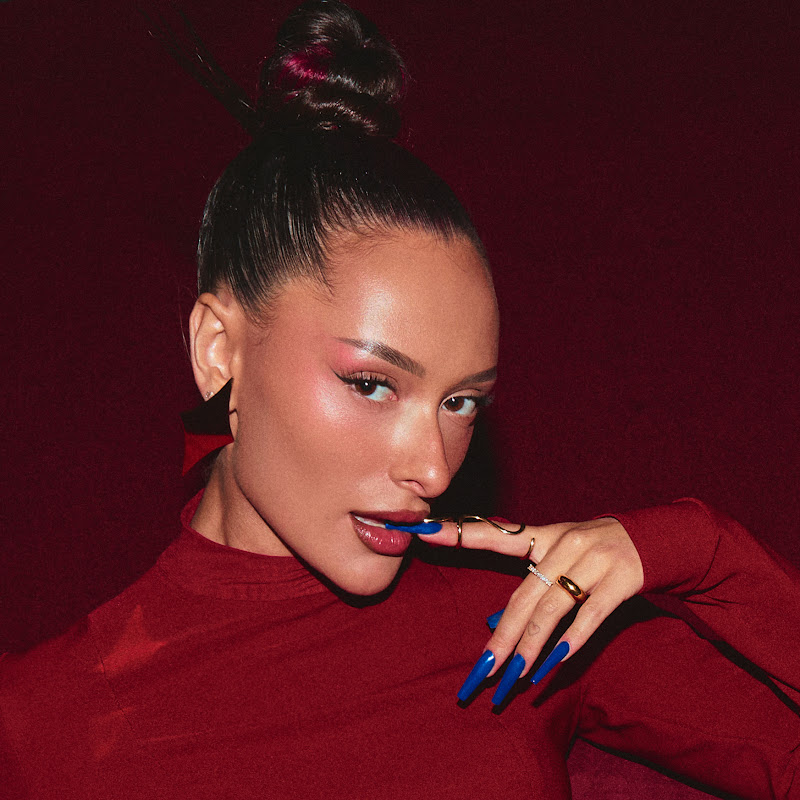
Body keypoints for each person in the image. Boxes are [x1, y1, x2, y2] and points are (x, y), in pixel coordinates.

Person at [1, 2, 798, 798]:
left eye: (462, 403)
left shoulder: (525, 622)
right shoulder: (42, 725)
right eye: (372, 384)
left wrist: (697, 549)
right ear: (219, 352)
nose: (434, 471)